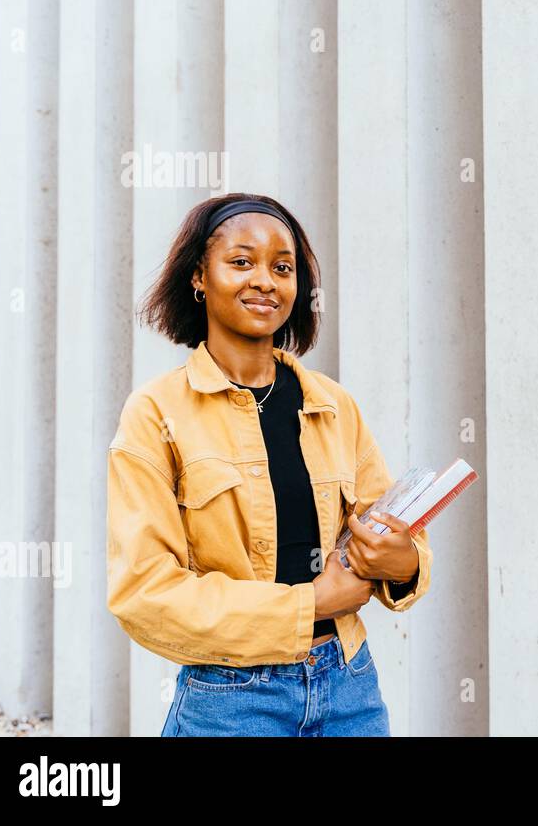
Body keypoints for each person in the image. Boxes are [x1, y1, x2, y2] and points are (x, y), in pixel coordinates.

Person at [106, 193, 434, 736]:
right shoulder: (156, 414)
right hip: (231, 698)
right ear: (199, 277)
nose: (265, 280)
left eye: (283, 268)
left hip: (348, 685)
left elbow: (394, 535)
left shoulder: (332, 405)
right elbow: (144, 592)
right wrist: (307, 605)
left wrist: (401, 561)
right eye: (241, 262)